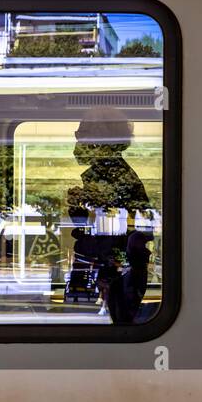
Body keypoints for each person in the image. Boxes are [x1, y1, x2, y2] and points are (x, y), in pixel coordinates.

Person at [67, 111, 155, 325]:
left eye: (84, 133)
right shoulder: (107, 173)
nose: (78, 139)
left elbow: (114, 233)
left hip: (120, 269)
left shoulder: (113, 176)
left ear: (101, 140)